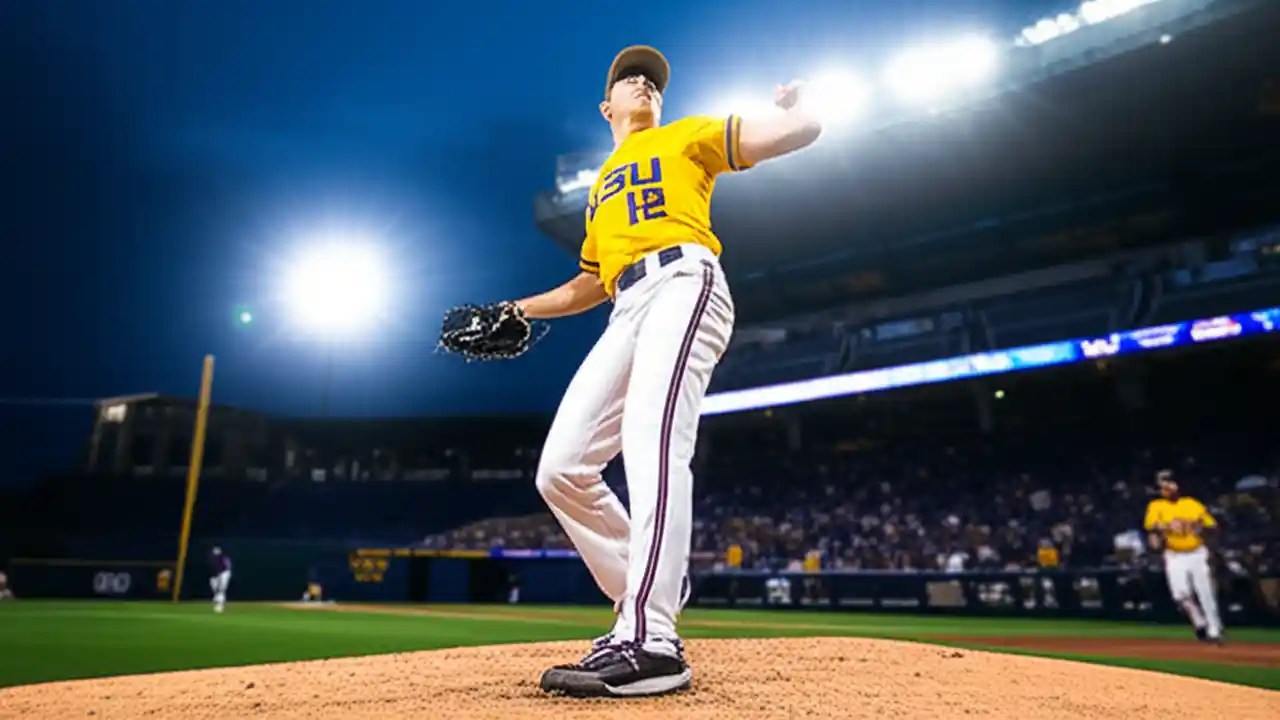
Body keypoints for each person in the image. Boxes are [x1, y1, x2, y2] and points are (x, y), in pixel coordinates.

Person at [523, 45, 821, 698]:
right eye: (630, 80)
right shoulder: (601, 187)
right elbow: (590, 282)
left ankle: (652, 638)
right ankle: (650, 582)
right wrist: (516, 310)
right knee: (562, 468)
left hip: (685, 281)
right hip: (627, 304)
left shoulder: (686, 137)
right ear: (607, 107)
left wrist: (799, 112)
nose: (643, 84)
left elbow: (796, 133)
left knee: (650, 443)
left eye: (652, 80)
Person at [1143, 470, 1223, 643]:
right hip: (1174, 555)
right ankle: (1199, 621)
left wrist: (1204, 533)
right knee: (1180, 595)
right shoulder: (1156, 506)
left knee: (1205, 592)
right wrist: (1162, 530)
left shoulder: (1192, 504)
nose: (1168, 487)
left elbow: (1212, 525)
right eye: (1163, 485)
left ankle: (1214, 629)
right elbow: (1151, 527)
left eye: (1170, 483)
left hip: (1197, 552)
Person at [208, 546, 232, 613]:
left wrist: (219, 575)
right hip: (220, 573)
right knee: (217, 588)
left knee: (221, 589)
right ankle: (218, 602)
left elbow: (226, 567)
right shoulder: (214, 559)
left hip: (225, 573)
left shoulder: (223, 559)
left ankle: (220, 604)